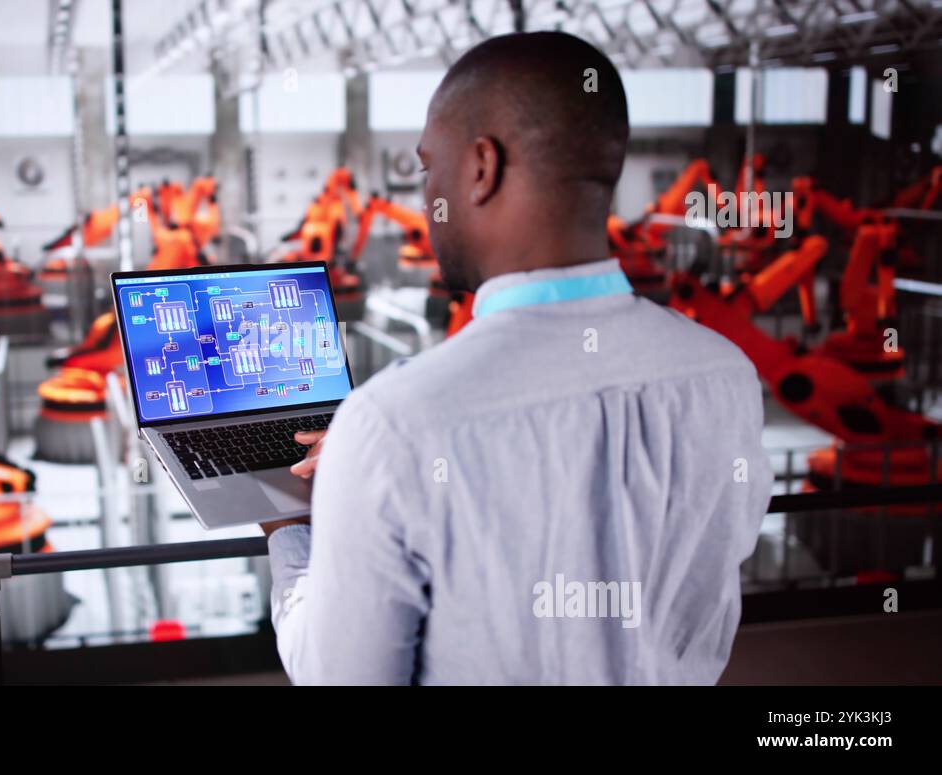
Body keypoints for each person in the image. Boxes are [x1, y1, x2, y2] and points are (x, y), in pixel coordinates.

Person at [263, 31, 773, 685]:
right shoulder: (723, 374)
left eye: (428, 170)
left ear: (481, 167)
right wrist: (374, 468)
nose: (426, 200)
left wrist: (290, 527)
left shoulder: (396, 421)